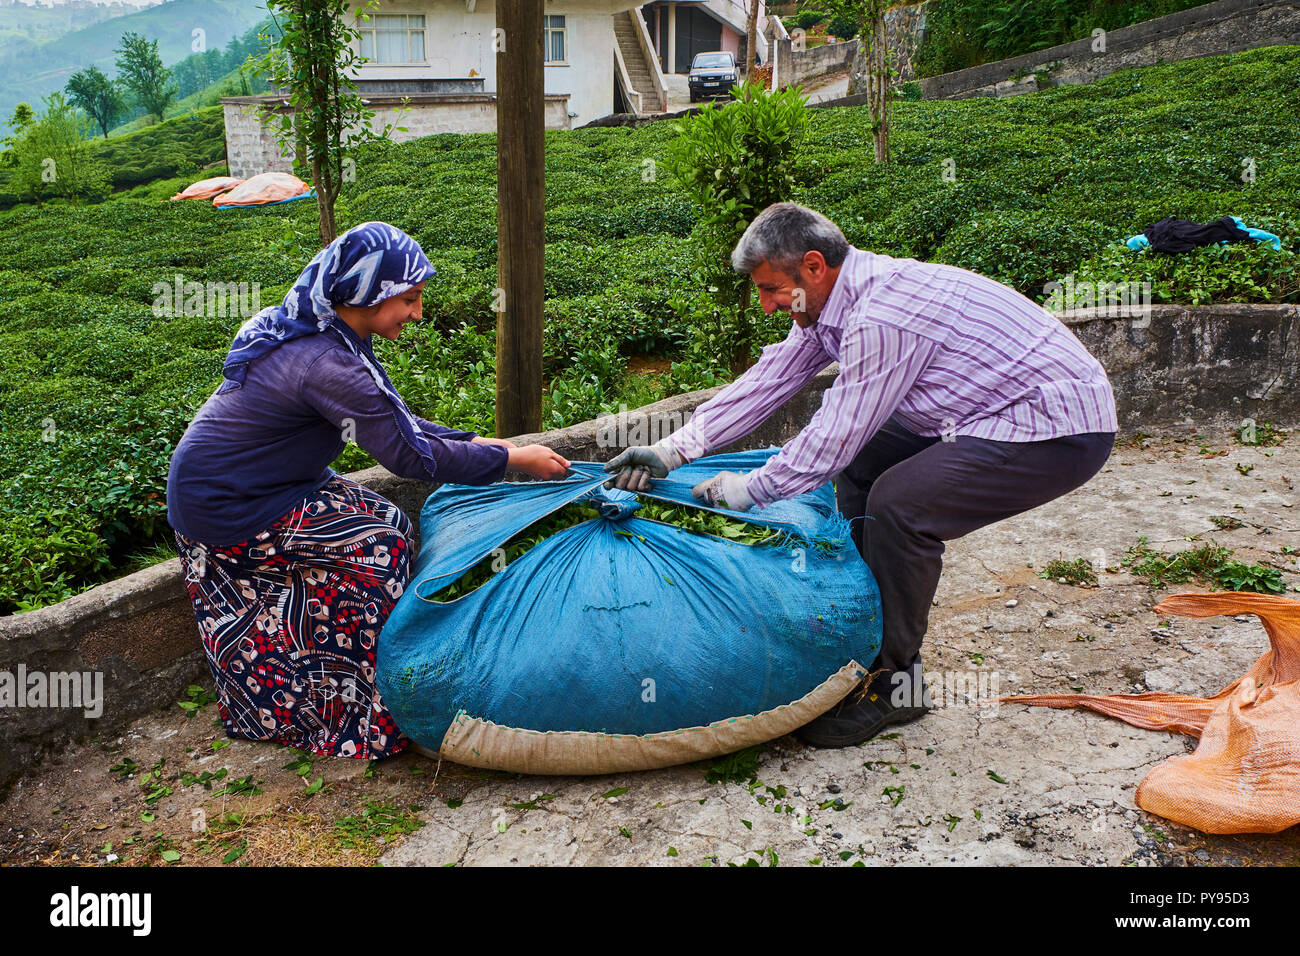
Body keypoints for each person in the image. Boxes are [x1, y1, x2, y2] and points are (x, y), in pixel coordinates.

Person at [604, 202, 1116, 747]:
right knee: (865, 465)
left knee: (901, 506)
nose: (769, 305)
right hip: (971, 409)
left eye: (773, 290)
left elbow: (834, 434)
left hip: (1053, 425)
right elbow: (769, 381)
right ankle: (864, 633)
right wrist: (672, 450)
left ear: (814, 266)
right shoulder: (828, 304)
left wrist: (747, 490)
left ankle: (897, 683)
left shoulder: (884, 316)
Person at [167, 221, 569, 759]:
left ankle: (347, 690)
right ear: (368, 292)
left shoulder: (329, 333)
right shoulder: (324, 361)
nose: (418, 313)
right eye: (409, 298)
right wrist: (513, 458)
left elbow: (399, 422)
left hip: (274, 483)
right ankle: (374, 713)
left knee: (388, 523)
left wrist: (485, 443)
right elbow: (407, 455)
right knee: (379, 548)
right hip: (228, 503)